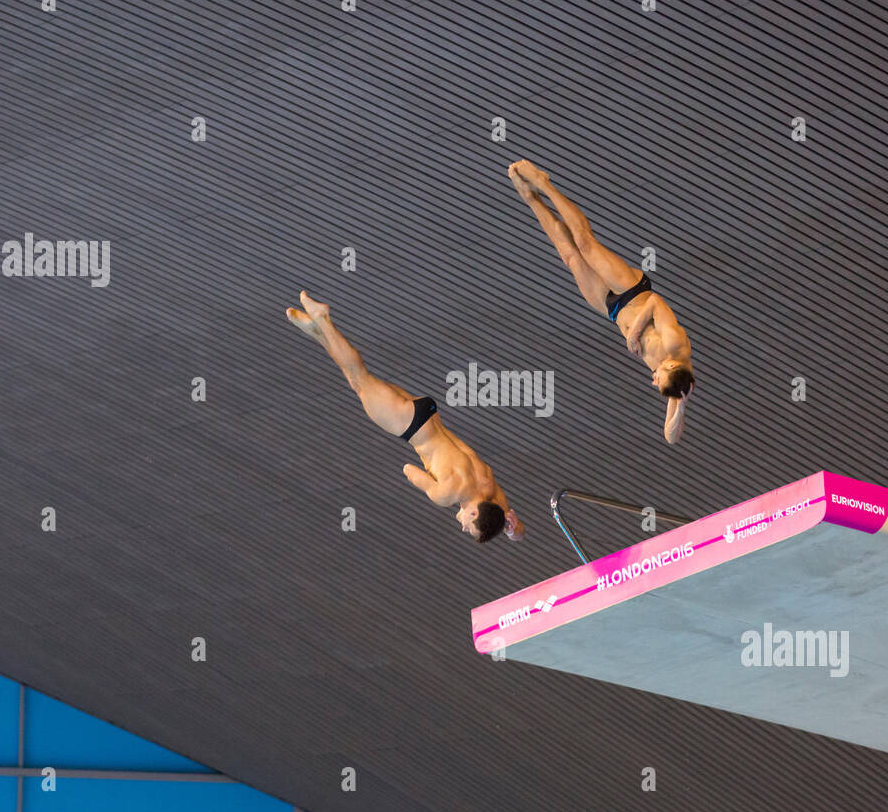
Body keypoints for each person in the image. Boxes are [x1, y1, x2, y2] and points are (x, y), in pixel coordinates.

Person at [286, 291, 524, 542]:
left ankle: (318, 331)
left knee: (357, 380)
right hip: (410, 426)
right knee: (360, 379)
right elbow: (409, 470)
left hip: (428, 413)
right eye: (469, 526)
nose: (463, 527)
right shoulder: (447, 495)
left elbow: (519, 534)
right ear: (475, 512)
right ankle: (323, 319)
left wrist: (511, 526)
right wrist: (435, 488)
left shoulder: (490, 490)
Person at [508, 159, 695, 444]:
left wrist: (680, 406)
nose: (652, 379)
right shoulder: (676, 347)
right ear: (670, 365)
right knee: (585, 242)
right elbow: (656, 302)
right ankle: (544, 183)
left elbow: (670, 437)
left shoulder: (675, 382)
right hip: (632, 291)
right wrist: (634, 333)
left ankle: (530, 198)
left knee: (570, 257)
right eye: (658, 379)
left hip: (613, 309)